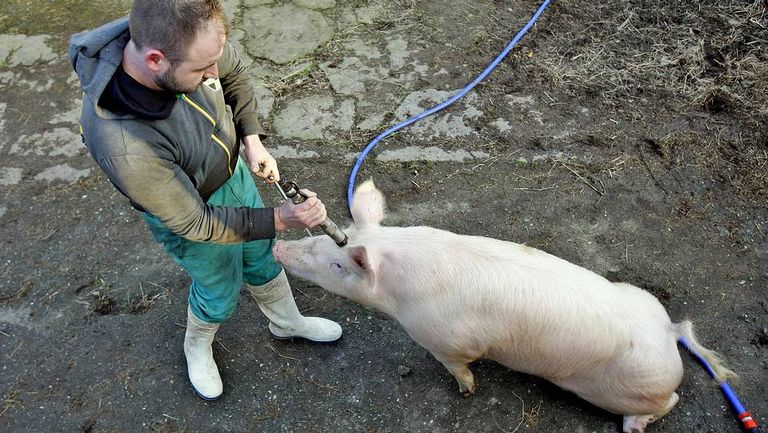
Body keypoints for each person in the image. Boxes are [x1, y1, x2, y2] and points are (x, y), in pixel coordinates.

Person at [68, 0, 342, 401]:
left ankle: (286, 322)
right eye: (201, 70)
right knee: (218, 285)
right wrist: (282, 218)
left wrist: (250, 140)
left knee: (261, 255)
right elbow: (195, 223)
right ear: (156, 60)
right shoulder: (122, 142)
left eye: (211, 62)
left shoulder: (189, 41)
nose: (213, 73)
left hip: (234, 176)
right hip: (190, 212)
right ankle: (196, 345)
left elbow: (232, 73)